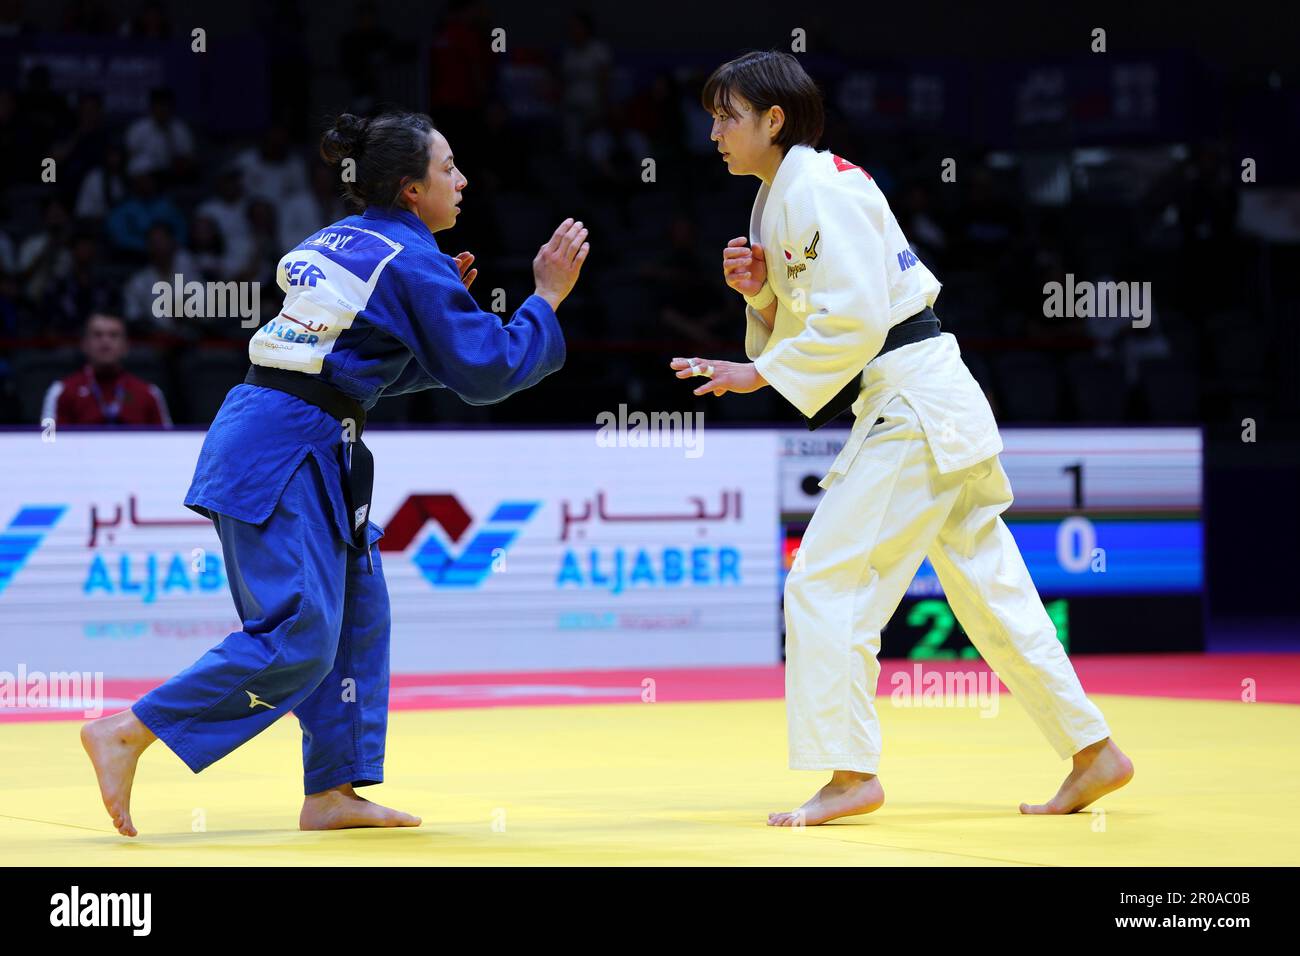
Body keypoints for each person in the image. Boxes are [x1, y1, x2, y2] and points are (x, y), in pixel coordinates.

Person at [80, 110, 590, 837]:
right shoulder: (408, 261)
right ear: (412, 189)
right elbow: (487, 372)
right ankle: (129, 730)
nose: (463, 180)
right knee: (300, 632)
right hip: (282, 445)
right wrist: (547, 299)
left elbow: (360, 370)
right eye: (449, 167)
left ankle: (332, 790)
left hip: (307, 433)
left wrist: (433, 326)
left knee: (356, 614)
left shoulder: (347, 239)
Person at [672, 51, 1132, 826]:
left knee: (824, 581)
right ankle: (1093, 751)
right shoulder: (784, 197)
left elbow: (850, 325)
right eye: (713, 116)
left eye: (728, 116)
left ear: (773, 120)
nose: (714, 131)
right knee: (991, 591)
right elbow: (820, 323)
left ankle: (851, 774)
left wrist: (760, 373)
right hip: (927, 400)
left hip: (914, 404)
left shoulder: (814, 188)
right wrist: (759, 299)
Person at [42, 312, 171, 426]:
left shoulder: (150, 394)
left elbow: (167, 445)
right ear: (84, 344)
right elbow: (47, 443)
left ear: (126, 346)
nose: (105, 342)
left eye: (113, 335)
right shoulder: (61, 392)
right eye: (98, 335)